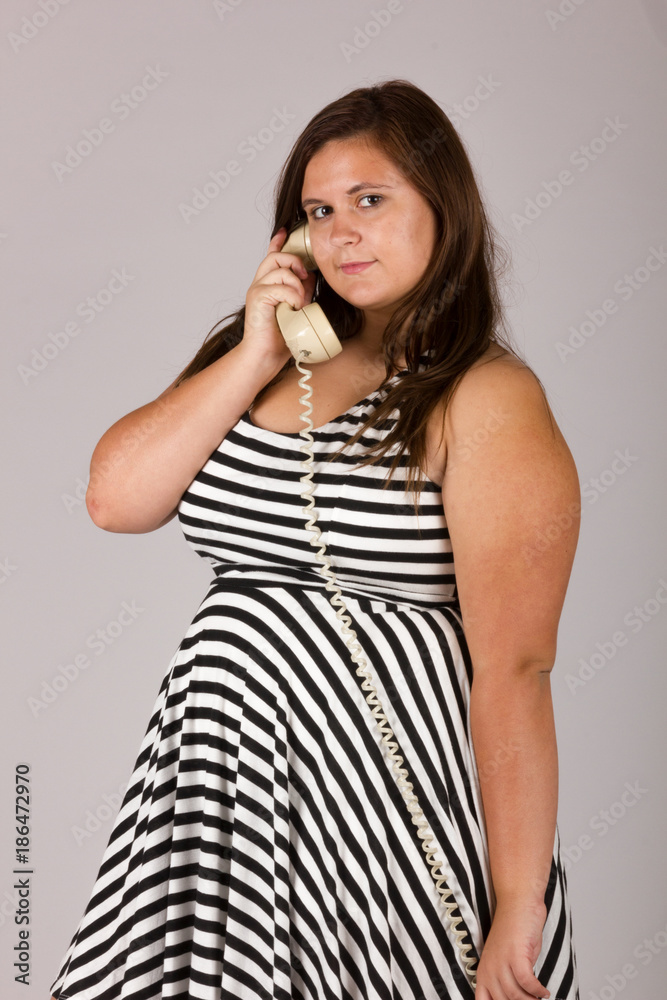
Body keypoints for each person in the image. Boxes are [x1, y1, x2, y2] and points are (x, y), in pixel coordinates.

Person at [49, 79, 580, 1000]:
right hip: (224, 801)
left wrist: (517, 902)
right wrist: (257, 346)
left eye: (371, 201)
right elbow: (115, 498)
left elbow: (516, 668)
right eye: (317, 210)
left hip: (376, 815)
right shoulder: (258, 359)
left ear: (441, 207)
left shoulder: (483, 396)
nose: (341, 233)